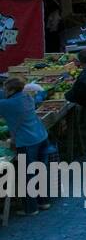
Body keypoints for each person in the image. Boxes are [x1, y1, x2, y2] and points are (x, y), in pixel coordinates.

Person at [1, 77, 50, 214]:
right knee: (40, 169)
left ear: (11, 90)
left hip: (27, 141)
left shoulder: (7, 104)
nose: (4, 91)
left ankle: (31, 209)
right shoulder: (27, 97)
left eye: (5, 89)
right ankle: (43, 201)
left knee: (27, 174)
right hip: (41, 136)